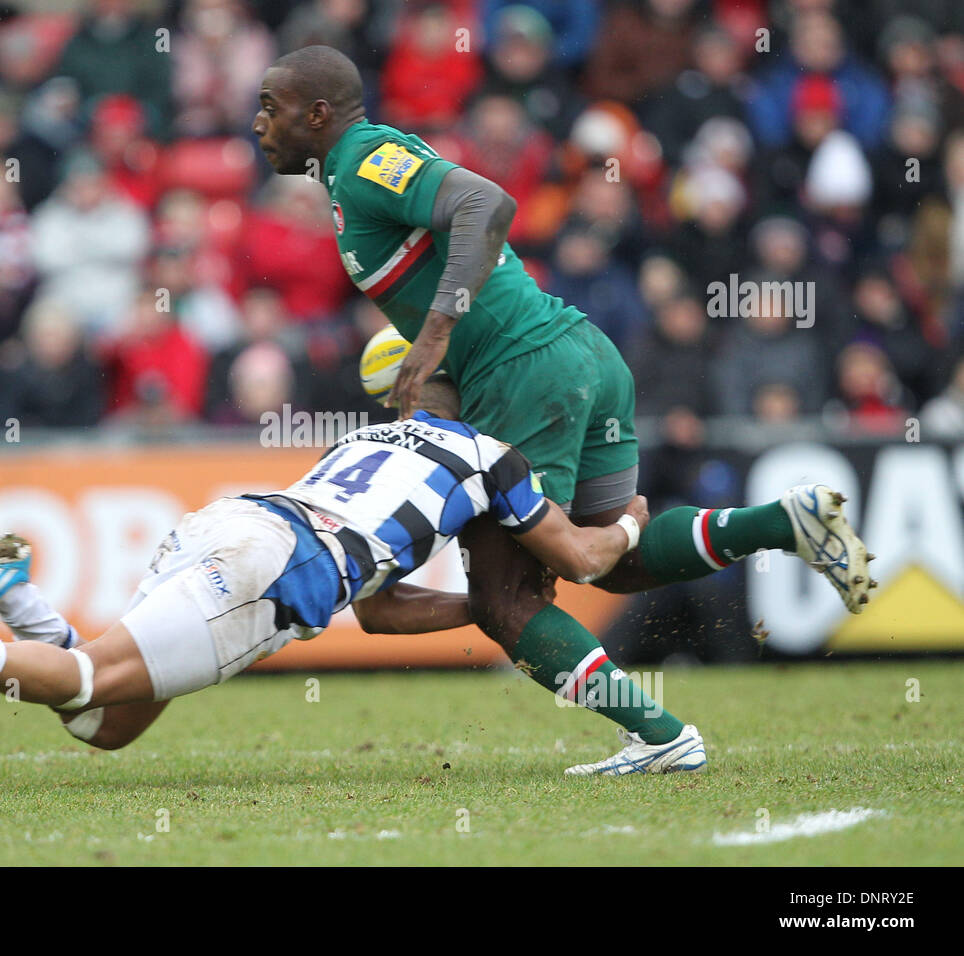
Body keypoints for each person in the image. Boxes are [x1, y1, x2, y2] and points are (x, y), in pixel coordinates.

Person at [251, 45, 875, 773]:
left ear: (318, 114)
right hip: (573, 355)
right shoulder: (349, 174)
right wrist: (438, 378)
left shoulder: (364, 158)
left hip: (527, 372)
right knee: (610, 557)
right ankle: (782, 521)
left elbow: (488, 203)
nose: (260, 123)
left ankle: (661, 735)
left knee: (507, 602)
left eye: (272, 107)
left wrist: (436, 333)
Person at [0, 378, 712, 777]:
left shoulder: (367, 439)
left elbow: (387, 616)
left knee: (105, 725)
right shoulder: (490, 453)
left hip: (236, 521)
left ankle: (12, 592)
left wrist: (476, 609)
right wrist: (632, 511)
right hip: (282, 575)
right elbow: (587, 560)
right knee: (88, 685)